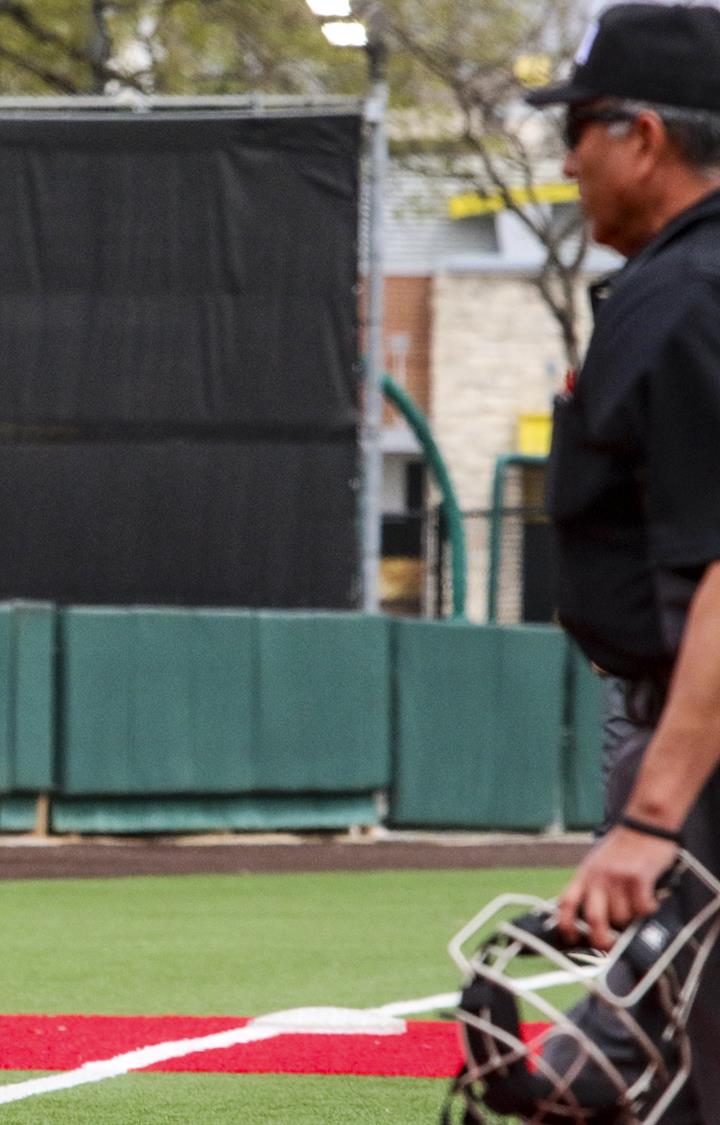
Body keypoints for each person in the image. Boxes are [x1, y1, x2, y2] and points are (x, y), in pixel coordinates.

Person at [529, 4, 720, 1119]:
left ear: (640, 136)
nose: (566, 158)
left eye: (582, 128)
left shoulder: (686, 298)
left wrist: (648, 821)